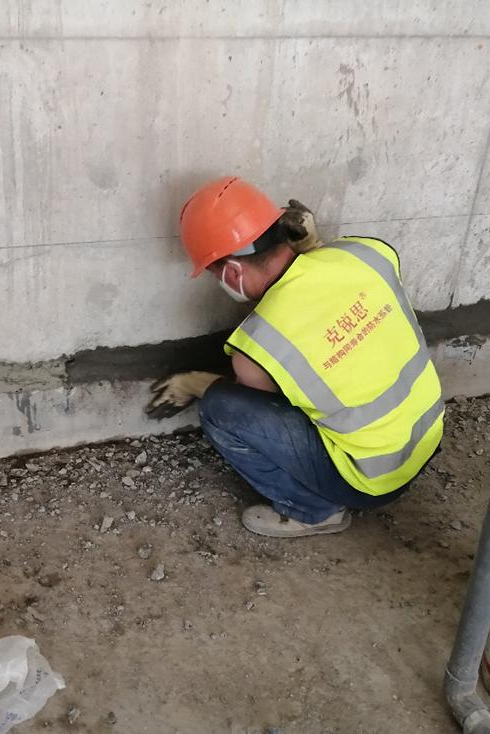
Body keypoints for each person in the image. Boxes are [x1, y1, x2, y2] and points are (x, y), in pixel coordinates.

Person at [146, 177, 444, 538]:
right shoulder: (367, 254)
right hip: (428, 437)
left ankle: (313, 511)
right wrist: (313, 249)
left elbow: (256, 406)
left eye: (215, 274)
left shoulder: (258, 346)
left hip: (372, 482)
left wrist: (194, 384)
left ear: (233, 272)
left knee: (220, 407)